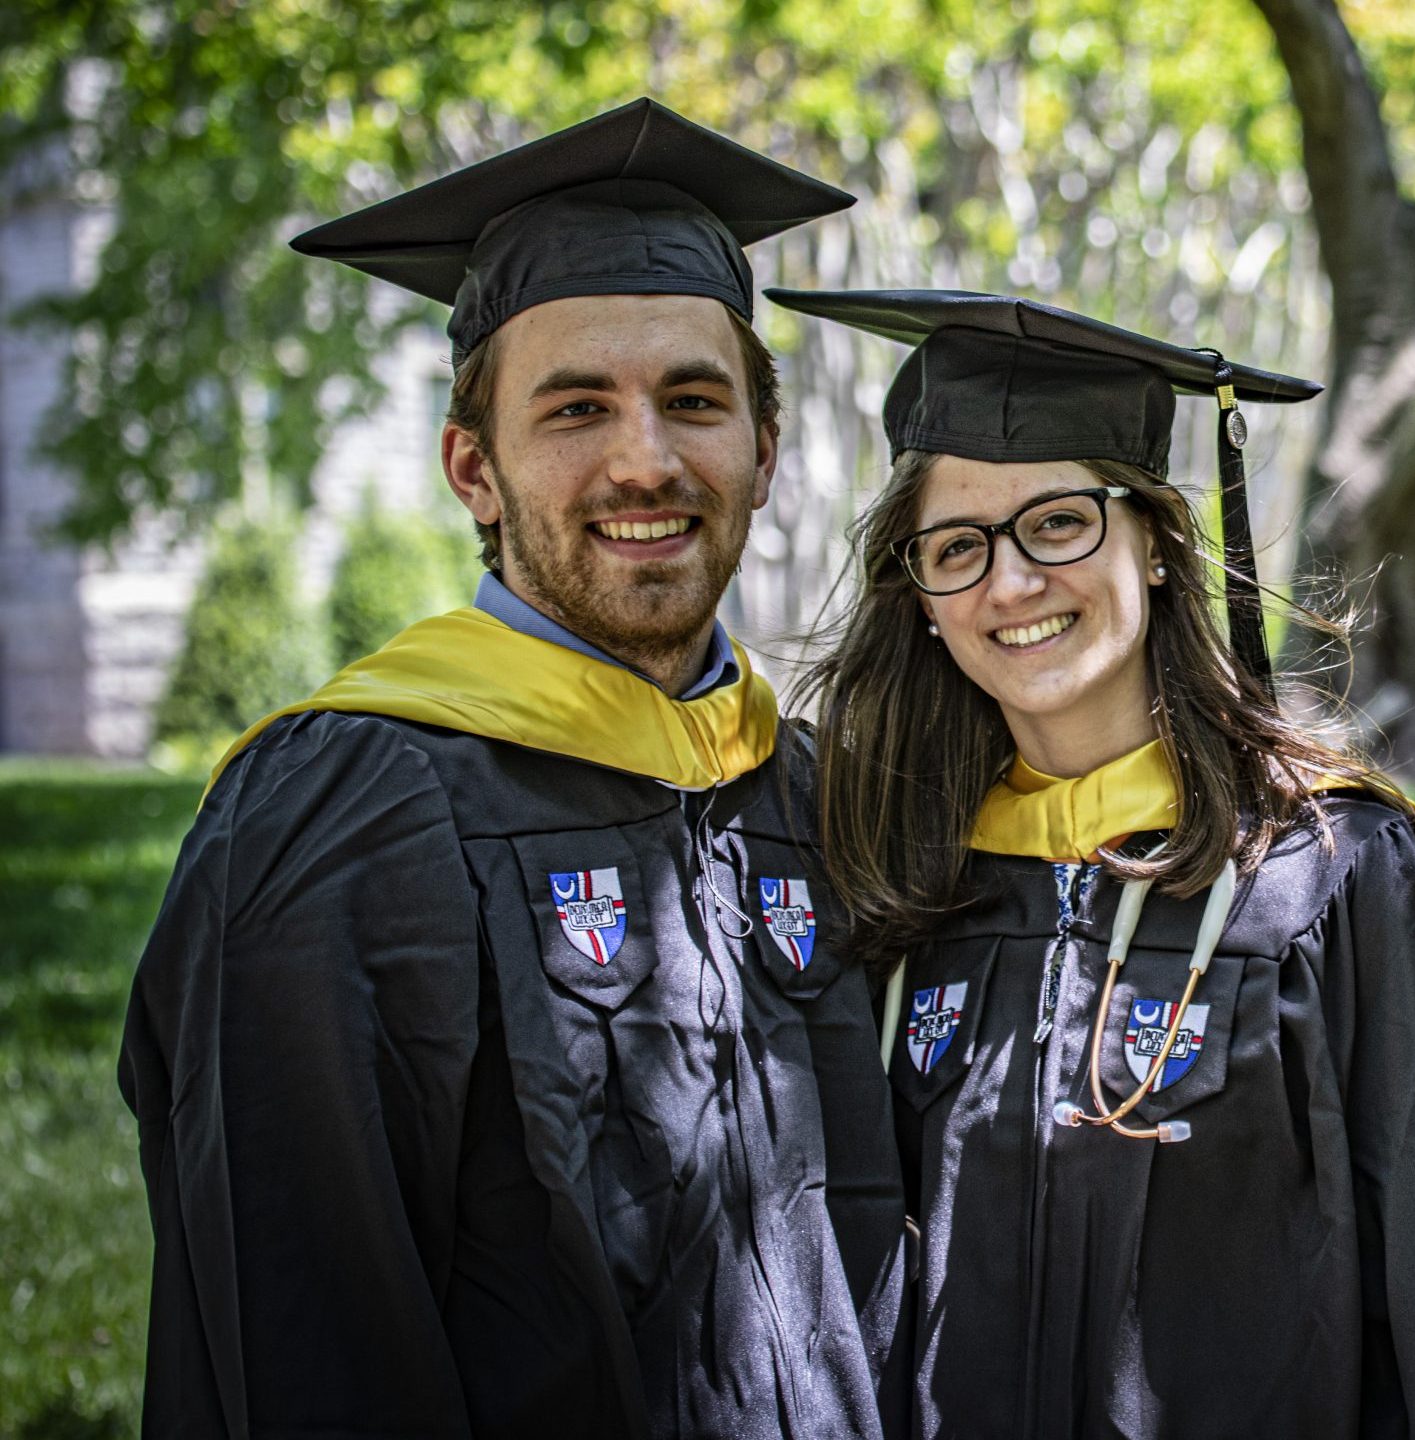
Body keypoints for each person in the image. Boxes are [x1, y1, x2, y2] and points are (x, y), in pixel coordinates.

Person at [119, 100, 906, 1438]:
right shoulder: (343, 814)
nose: (645, 459)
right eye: (576, 408)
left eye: (694, 401)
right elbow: (299, 1332)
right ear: (473, 470)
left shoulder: (811, 798)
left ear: (763, 454)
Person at [770, 287, 1415, 1437]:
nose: (1009, 583)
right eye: (957, 547)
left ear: (1158, 546)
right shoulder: (899, 872)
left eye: (1058, 523)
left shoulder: (1327, 873)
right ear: (919, 597)